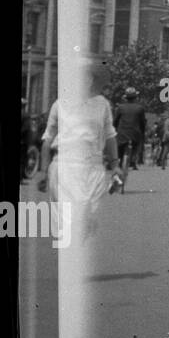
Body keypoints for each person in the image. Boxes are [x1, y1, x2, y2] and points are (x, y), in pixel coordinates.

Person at [37, 59, 117, 243]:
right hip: (64, 164)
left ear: (92, 79)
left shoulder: (102, 104)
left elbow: (110, 135)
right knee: (65, 225)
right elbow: (48, 138)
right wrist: (43, 172)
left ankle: (77, 249)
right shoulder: (59, 104)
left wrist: (115, 166)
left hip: (92, 167)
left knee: (85, 216)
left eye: (87, 76)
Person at [112, 87, 147, 192]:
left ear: (125, 98)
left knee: (119, 154)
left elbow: (115, 122)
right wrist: (143, 133)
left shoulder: (120, 108)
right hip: (134, 135)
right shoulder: (140, 108)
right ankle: (133, 160)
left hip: (122, 135)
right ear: (135, 97)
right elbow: (142, 123)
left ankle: (119, 163)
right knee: (136, 146)